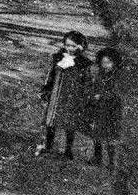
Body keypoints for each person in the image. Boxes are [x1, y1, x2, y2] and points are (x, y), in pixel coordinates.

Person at [40, 30, 93, 159]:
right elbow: (51, 76)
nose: (70, 48)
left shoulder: (83, 64)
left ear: (80, 47)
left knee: (69, 122)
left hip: (71, 96)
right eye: (68, 45)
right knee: (51, 121)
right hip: (56, 95)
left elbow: (86, 81)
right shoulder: (58, 58)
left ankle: (68, 150)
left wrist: (84, 97)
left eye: (73, 46)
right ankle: (48, 145)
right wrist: (46, 89)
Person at [85, 48, 123, 168]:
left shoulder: (117, 77)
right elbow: (92, 87)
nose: (105, 66)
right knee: (96, 133)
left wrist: (102, 96)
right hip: (99, 109)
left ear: (115, 63)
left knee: (110, 136)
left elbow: (117, 93)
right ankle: (97, 157)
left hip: (111, 110)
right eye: (103, 63)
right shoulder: (99, 75)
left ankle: (112, 162)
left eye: (108, 63)